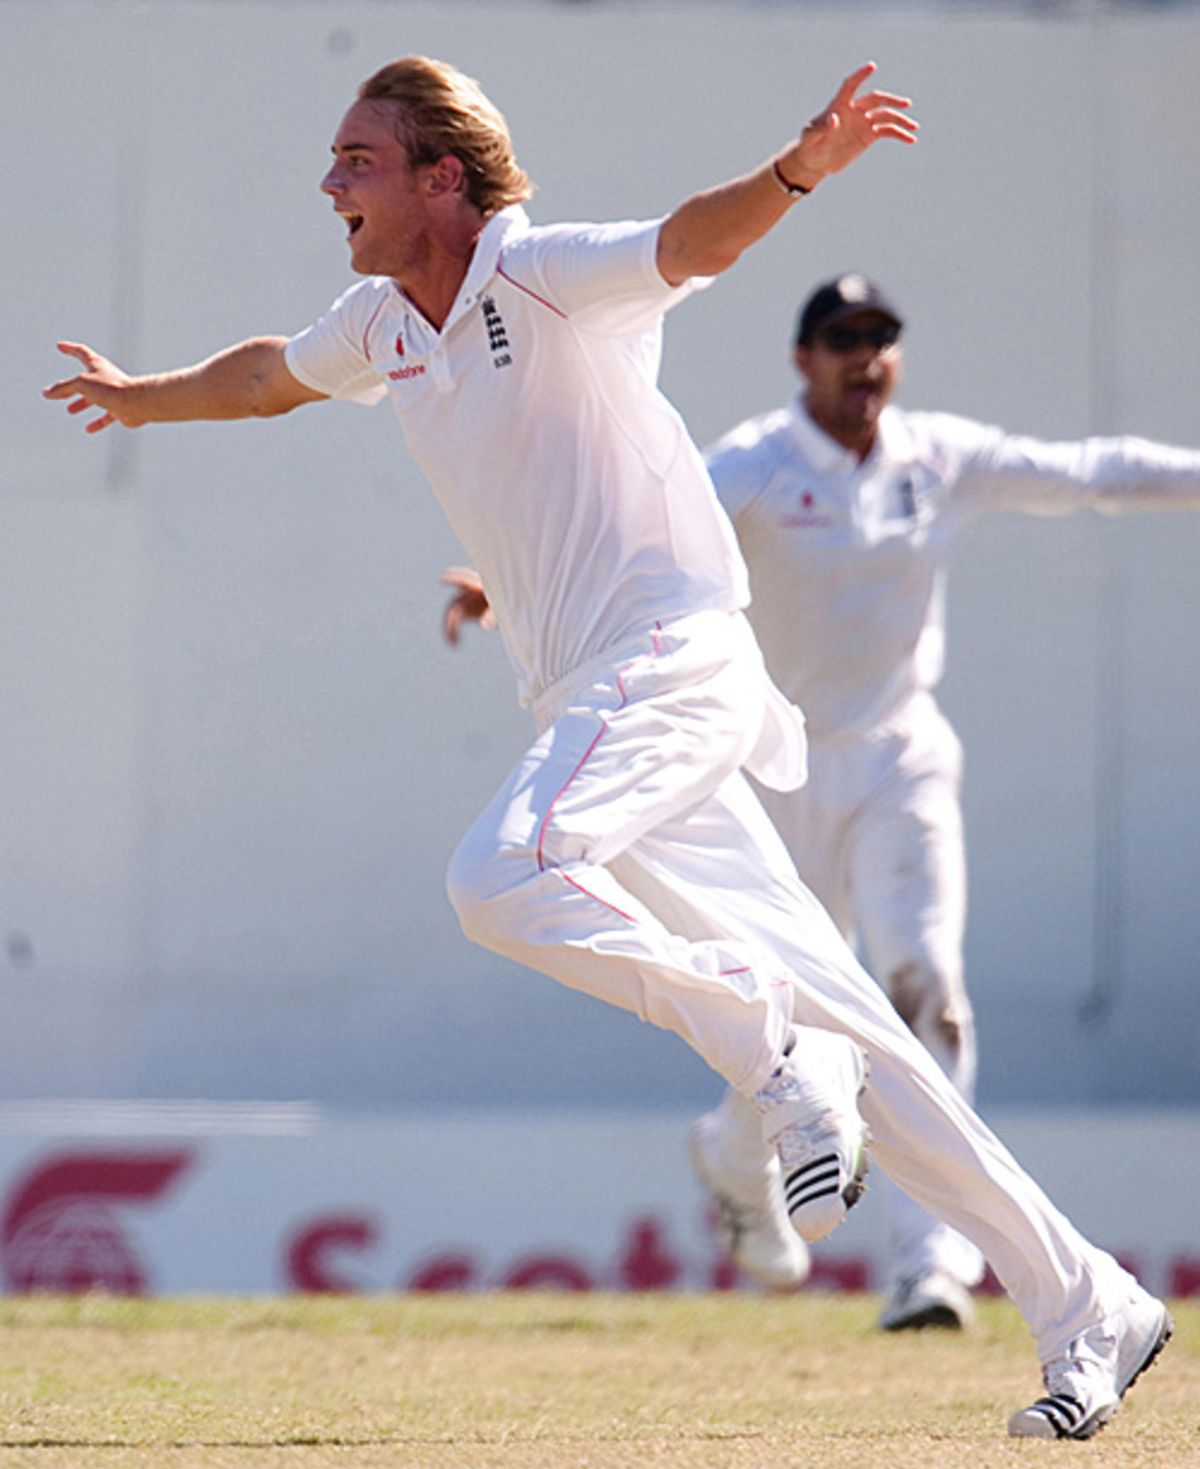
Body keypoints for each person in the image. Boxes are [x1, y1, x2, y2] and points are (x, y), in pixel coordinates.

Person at [45, 56, 1170, 1440]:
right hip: (596, 694)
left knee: (499, 877)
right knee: (864, 1033)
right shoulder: (382, 321)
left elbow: (691, 242)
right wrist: (144, 397)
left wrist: (800, 165)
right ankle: (1090, 1303)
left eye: (358, 159)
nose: (329, 184)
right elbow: (272, 375)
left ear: (441, 179)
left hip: (673, 657)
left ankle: (768, 1052)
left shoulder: (539, 271)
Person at [684, 273, 1200, 1333]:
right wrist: (510, 587)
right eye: (840, 338)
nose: (863, 358)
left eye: (880, 338)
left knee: (924, 985)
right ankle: (736, 1161)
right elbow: (651, 528)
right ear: (802, 359)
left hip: (902, 759)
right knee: (781, 1020)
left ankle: (931, 1267)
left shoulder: (936, 454)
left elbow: (1085, 472)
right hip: (779, 769)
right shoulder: (755, 459)